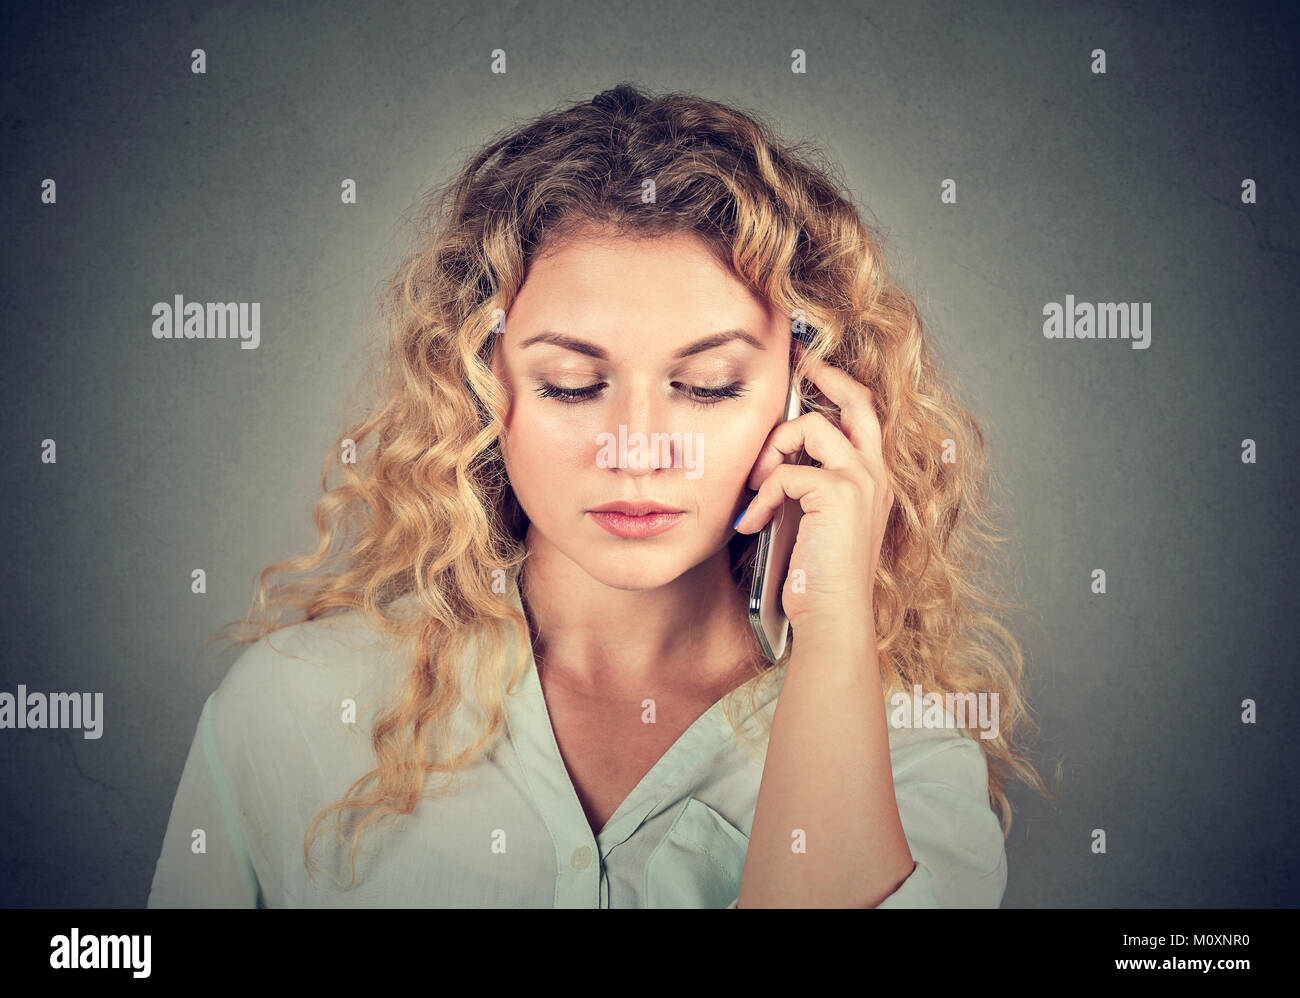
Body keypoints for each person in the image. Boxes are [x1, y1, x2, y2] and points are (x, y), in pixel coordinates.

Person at [147, 83, 1048, 909]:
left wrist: (837, 621)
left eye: (707, 386)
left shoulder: (908, 758)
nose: (637, 450)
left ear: (802, 399)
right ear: (478, 386)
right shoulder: (289, 712)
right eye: (574, 386)